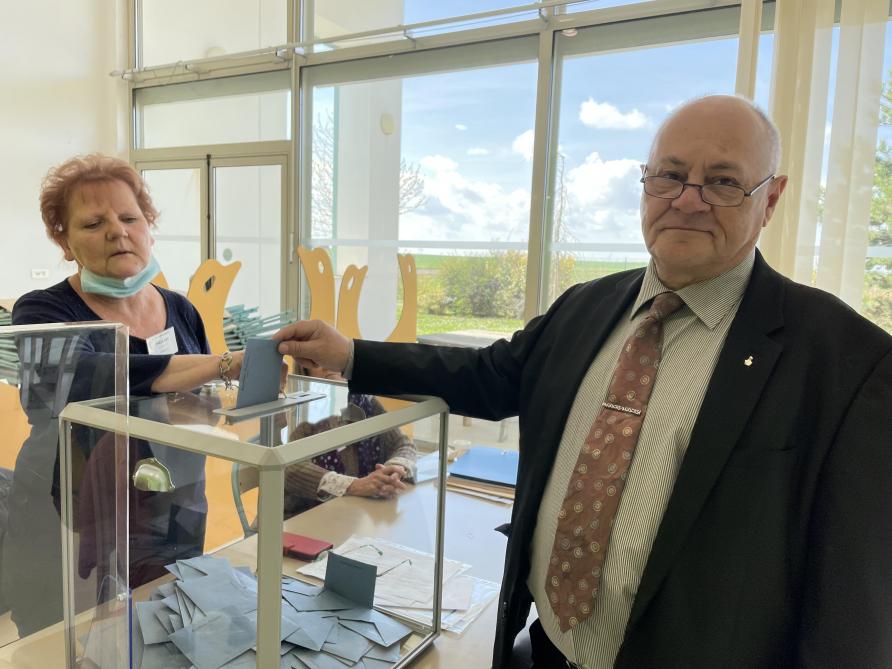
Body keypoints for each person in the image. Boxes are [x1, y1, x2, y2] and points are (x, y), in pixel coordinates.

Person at [275, 95, 892, 668]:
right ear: (646, 183)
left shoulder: (845, 363)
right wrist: (350, 354)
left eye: (724, 182)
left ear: (771, 198)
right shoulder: (585, 308)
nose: (688, 200)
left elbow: (852, 606)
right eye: (670, 175)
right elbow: (487, 376)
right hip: (546, 648)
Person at [6, 154, 245, 636]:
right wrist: (219, 365)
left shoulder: (181, 309)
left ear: (149, 228)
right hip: (69, 513)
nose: (118, 232)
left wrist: (211, 396)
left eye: (130, 218)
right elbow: (82, 378)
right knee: (66, 642)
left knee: (165, 626)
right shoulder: (43, 310)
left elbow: (201, 401)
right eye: (94, 223)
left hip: (172, 506)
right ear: (64, 241)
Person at [282, 365, 415, 516]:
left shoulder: (365, 402)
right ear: (304, 369)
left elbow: (403, 443)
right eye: (318, 362)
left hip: (358, 512)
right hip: (302, 517)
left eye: (333, 358)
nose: (328, 366)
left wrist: (392, 472)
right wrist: (356, 485)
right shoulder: (298, 412)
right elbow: (291, 469)